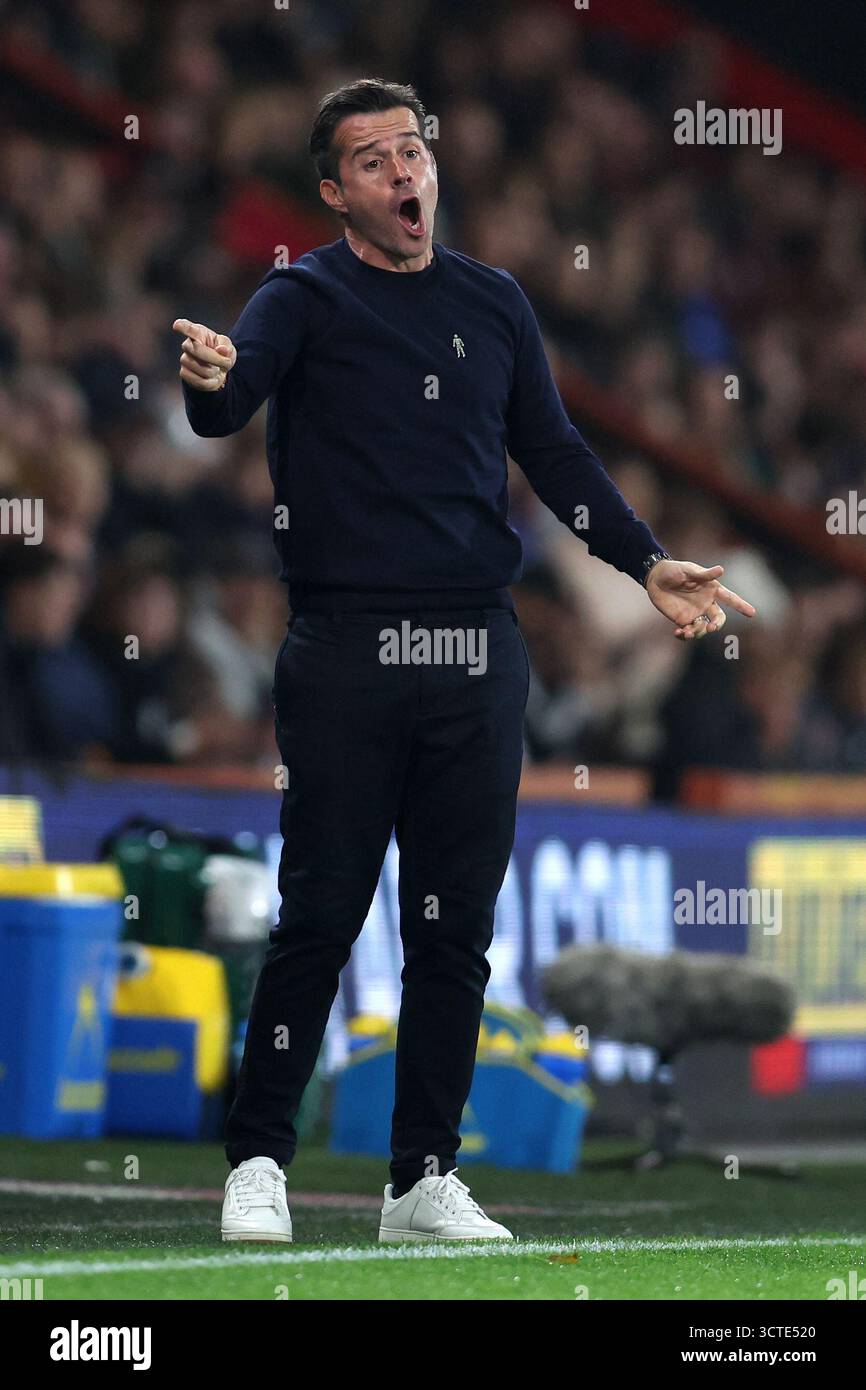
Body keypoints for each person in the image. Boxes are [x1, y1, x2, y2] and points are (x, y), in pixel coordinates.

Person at [175, 78, 755, 1245]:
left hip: (474, 650)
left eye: (413, 150)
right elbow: (229, 399)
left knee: (454, 931)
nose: (403, 172)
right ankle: (258, 1162)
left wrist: (643, 565)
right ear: (334, 191)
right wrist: (209, 381)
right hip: (343, 648)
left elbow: (553, 450)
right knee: (321, 914)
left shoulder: (493, 304)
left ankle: (420, 1177)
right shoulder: (300, 295)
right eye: (373, 159)